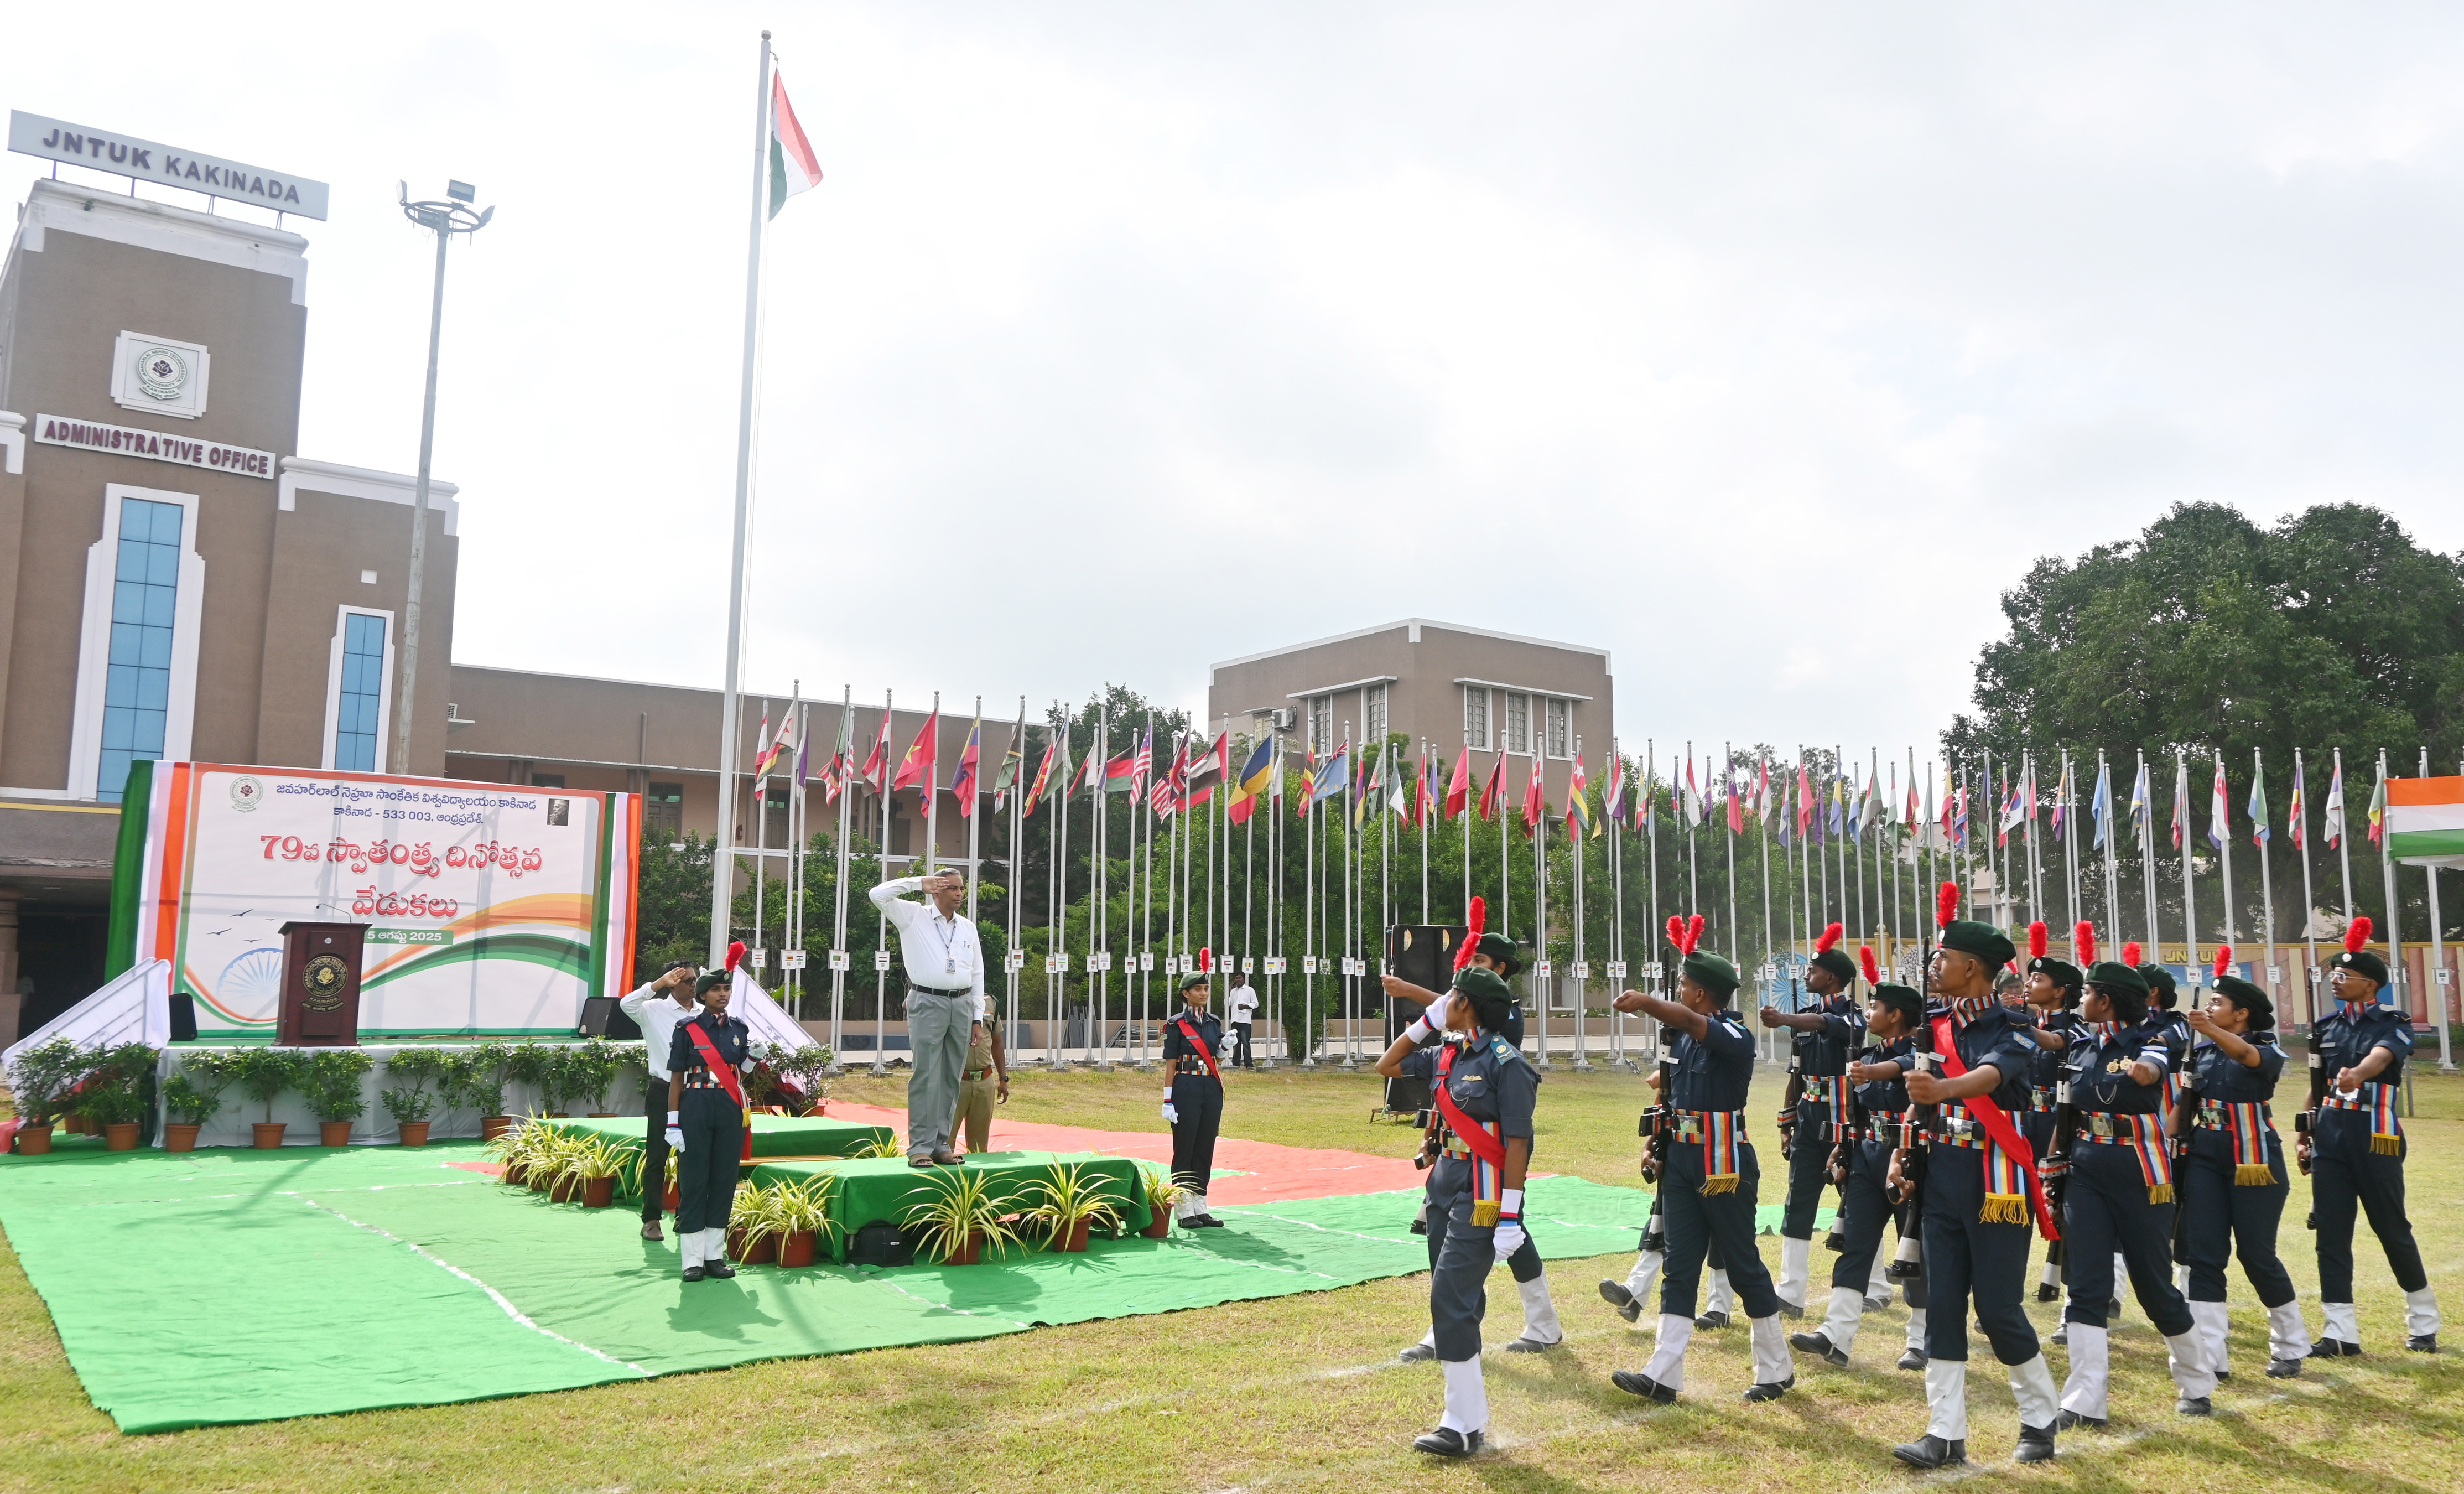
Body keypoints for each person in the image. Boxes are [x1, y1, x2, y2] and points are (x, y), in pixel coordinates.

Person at [1889, 885, 2061, 1470]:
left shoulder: (2009, 1025)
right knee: (1940, 1307)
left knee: (1997, 1309)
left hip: (1996, 1188)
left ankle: (2040, 1419)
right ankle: (1943, 1433)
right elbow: (1920, 1096)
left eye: (1943, 958)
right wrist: (1903, 1144)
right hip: (1941, 1180)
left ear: (1973, 968)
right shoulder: (1933, 1025)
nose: (1934, 965)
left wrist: (1942, 1088)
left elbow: (1991, 1076)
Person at [1605, 914, 1795, 1407]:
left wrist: (1647, 1003)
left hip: (1723, 1164)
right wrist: (1657, 1138)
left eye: (1686, 985)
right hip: (1684, 1159)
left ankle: (1775, 1368)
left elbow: (1690, 1022)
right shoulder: (1684, 1040)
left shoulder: (1734, 1035)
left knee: (1743, 1262)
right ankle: (1663, 1373)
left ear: (1701, 994)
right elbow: (1673, 1096)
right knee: (1680, 1265)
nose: (1682, 992)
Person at [2046, 954, 2218, 1430]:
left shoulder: (2156, 1037)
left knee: (2153, 1286)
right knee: (2086, 1286)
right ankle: (2084, 1400)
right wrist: (2052, 1165)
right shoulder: (2080, 1046)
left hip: (2141, 1168)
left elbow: (2152, 1069)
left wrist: (2145, 1066)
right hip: (2085, 1168)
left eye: (2086, 993)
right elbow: (2068, 1114)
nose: (2080, 1000)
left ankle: (2197, 1381)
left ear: (2106, 999)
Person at [1373, 962, 1538, 1456]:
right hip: (1444, 1184)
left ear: (1465, 1004)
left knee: (1449, 1295)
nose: (1445, 1002)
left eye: (1451, 997)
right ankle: (1465, 1414)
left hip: (1484, 1193)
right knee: (1453, 1295)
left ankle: (1464, 1424)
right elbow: (1387, 1065)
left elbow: (1518, 1144)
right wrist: (1426, 1021)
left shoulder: (1506, 1063)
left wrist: (1510, 1214)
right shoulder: (1446, 1053)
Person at [2302, 917, 2440, 1356]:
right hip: (2331, 1136)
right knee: (2331, 1234)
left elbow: (2381, 1059)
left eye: (2345, 977)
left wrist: (2356, 1074)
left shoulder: (2391, 1022)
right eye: (2334, 975)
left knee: (2391, 1227)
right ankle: (2340, 1332)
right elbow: (2316, 1082)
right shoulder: (2326, 1028)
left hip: (2375, 1136)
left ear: (2371, 985)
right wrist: (2304, 1134)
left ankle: (2423, 1320)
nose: (2336, 981)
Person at [2176, 945, 2309, 1379]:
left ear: (2242, 1015)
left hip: (2255, 1160)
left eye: (2219, 1003)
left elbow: (2250, 1060)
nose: (2211, 1008)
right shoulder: (2204, 1051)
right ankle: (2211, 1356)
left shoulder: (2264, 1045)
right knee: (2204, 1255)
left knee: (2257, 1255)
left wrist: (2209, 1032)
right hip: (2206, 1155)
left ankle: (2290, 1345)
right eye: (2210, 1001)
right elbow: (2187, 1104)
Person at [1790, 949, 1927, 1370]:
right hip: (1868, 1155)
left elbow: (1905, 1067)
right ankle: (1836, 1334)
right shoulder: (1865, 1055)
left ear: (1898, 1015)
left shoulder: (1920, 1055)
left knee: (1914, 1251)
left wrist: (1874, 1073)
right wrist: (1845, 1148)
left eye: (1876, 1006)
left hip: (1908, 1158)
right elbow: (1858, 1113)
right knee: (1856, 1246)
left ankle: (1922, 1338)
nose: (1868, 1011)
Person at [1756, 921, 1869, 1320]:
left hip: (1846, 1124)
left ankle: (1874, 1285)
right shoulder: (1805, 1017)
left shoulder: (1855, 1018)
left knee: (1858, 1205)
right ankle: (1791, 1291)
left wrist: (1785, 1020)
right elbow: (1796, 1075)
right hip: (1809, 1121)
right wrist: (1786, 1125)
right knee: (1797, 1203)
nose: (1806, 974)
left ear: (1832, 978)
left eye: (1813, 970)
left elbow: (1826, 1025)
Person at [870, 868, 986, 1168]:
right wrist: (916, 883)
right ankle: (919, 1147)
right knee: (926, 1075)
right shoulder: (913, 915)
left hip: (961, 1005)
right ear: (936, 890)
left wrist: (977, 1018)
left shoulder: (967, 928)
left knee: (951, 1077)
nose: (960, 894)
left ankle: (941, 1145)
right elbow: (877, 894)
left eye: (962, 889)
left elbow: (977, 975)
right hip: (927, 1001)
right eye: (953, 888)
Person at [664, 951, 755, 1282]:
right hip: (696, 1104)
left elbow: (739, 1075)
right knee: (694, 1180)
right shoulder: (687, 1029)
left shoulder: (739, 1029)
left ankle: (715, 1257)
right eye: (716, 990)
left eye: (726, 990)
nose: (723, 995)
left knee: (723, 1181)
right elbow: (676, 1078)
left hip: (729, 1107)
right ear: (702, 995)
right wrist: (673, 1121)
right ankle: (692, 1261)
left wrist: (752, 1060)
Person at [2019, 922, 2088, 1303]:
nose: (2028, 984)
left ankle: (2070, 1285)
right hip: (2026, 1121)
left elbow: (2055, 1042)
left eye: (2038, 978)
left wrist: (2016, 1023)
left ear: (2060, 991)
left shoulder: (2076, 1028)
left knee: (2059, 1200)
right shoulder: (2030, 1023)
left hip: (2058, 1123)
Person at [618, 959, 698, 1241]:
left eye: (694, 979)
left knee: (694, 1158)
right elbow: (626, 1005)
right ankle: (651, 1219)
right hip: (664, 1092)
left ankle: (685, 1215)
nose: (693, 984)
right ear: (673, 982)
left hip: (697, 1093)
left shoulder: (703, 1013)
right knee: (657, 1157)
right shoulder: (654, 1010)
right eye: (687, 980)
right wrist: (657, 985)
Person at [1162, 954, 1229, 1228]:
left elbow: (1217, 1059)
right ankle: (1184, 1210)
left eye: (1206, 989)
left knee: (1205, 1146)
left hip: (1210, 1087)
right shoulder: (1176, 1024)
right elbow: (1170, 1063)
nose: (1203, 994)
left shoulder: (1213, 1022)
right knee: (1185, 1146)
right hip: (1186, 1085)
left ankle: (1201, 1207)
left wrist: (1226, 1047)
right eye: (1198, 990)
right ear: (1186, 994)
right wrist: (1168, 1099)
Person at [949, 1018, 1008, 1155]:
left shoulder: (991, 1003)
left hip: (984, 1080)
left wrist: (1003, 1079)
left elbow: (997, 1042)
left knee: (979, 1148)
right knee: (945, 1143)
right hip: (955, 1081)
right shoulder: (951, 998)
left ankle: (976, 1176)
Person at [1225, 971, 1260, 1067]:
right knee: (1236, 1043)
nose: (1238, 980)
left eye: (1240, 978)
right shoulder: (1233, 992)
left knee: (1246, 1043)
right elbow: (1227, 1004)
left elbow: (1255, 1004)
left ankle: (1248, 1064)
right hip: (1235, 1021)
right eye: (1236, 978)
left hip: (1245, 1021)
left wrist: (1246, 1006)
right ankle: (1236, 1064)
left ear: (1244, 979)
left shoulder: (1250, 990)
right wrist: (1229, 992)